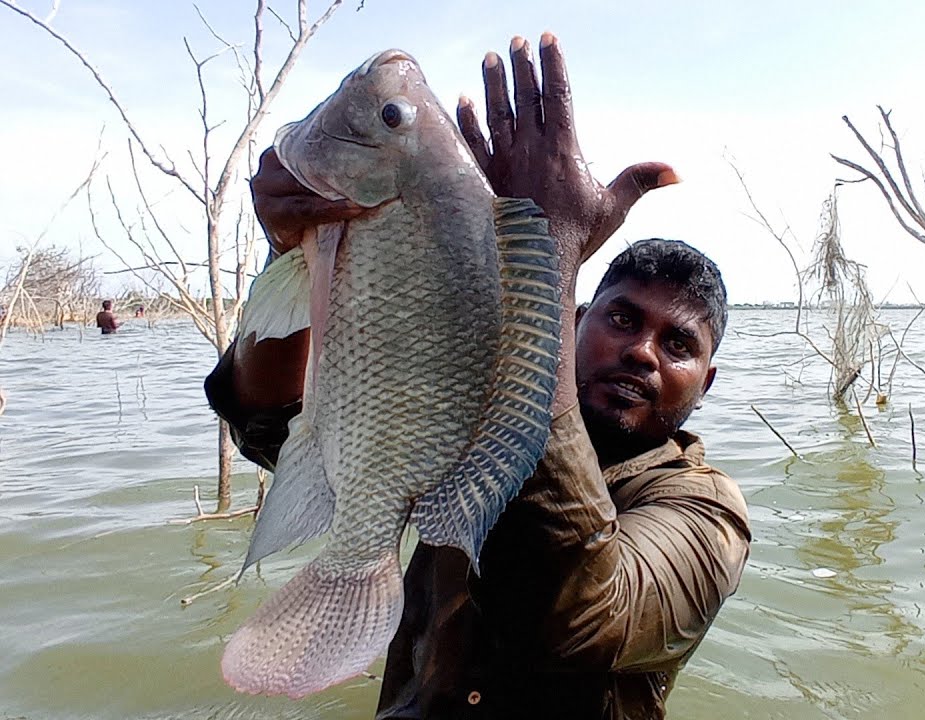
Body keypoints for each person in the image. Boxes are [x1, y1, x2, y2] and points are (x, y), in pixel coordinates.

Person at [203, 33, 750, 719]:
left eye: (677, 344)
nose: (642, 352)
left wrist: (546, 254)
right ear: (575, 321)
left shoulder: (707, 511)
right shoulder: (475, 400)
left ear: (708, 382)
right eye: (621, 320)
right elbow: (269, 427)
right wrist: (301, 247)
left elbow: (588, 617)